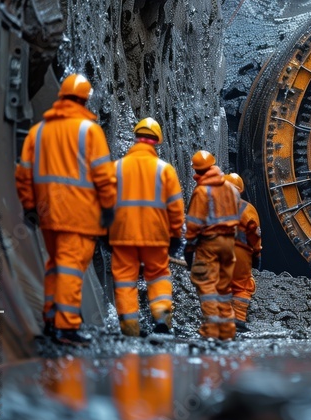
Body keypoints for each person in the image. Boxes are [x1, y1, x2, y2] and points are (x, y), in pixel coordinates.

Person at [15, 74, 116, 346]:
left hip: (48, 214)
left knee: (55, 265)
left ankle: (50, 319)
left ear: (61, 97)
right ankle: (66, 327)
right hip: (78, 215)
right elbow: (104, 176)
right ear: (84, 99)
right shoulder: (88, 131)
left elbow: (23, 173)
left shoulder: (39, 131)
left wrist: (29, 206)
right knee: (71, 268)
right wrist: (108, 208)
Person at [108, 118, 184, 336]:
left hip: (123, 236)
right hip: (156, 236)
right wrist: (176, 235)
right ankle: (162, 320)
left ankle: (130, 328)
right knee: (158, 276)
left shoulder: (117, 168)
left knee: (124, 280)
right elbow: (176, 208)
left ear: (135, 139)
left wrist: (106, 233)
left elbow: (104, 204)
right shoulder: (165, 170)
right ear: (157, 142)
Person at [184, 151, 240, 340]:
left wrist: (189, 248)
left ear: (197, 171)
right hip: (229, 244)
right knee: (223, 288)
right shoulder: (231, 189)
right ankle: (227, 331)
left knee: (207, 285)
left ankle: (211, 331)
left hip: (209, 243)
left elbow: (193, 224)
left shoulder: (202, 191)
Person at [224, 173, 262, 332]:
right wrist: (257, 254)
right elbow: (254, 234)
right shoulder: (246, 208)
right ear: (240, 190)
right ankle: (238, 320)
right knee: (242, 286)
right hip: (239, 251)